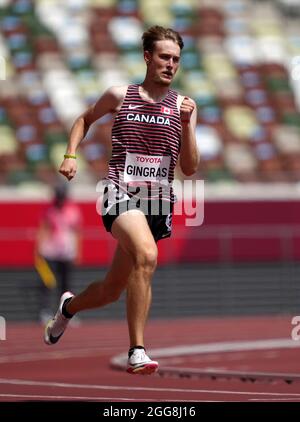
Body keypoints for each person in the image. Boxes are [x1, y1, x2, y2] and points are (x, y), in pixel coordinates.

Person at [44, 26, 199, 375]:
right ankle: (137, 350)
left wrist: (188, 125)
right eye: (164, 57)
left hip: (157, 203)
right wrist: (71, 154)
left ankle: (68, 308)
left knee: (112, 290)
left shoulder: (183, 106)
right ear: (147, 57)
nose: (171, 65)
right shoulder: (119, 95)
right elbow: (84, 120)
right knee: (147, 255)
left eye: (176, 59)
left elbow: (189, 168)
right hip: (119, 192)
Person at [35, 183, 82, 323]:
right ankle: (45, 311)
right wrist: (38, 250)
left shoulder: (73, 210)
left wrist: (78, 250)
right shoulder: (49, 210)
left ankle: (67, 313)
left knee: (66, 285)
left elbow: (78, 231)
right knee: (48, 283)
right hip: (50, 252)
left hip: (67, 252)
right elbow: (43, 229)